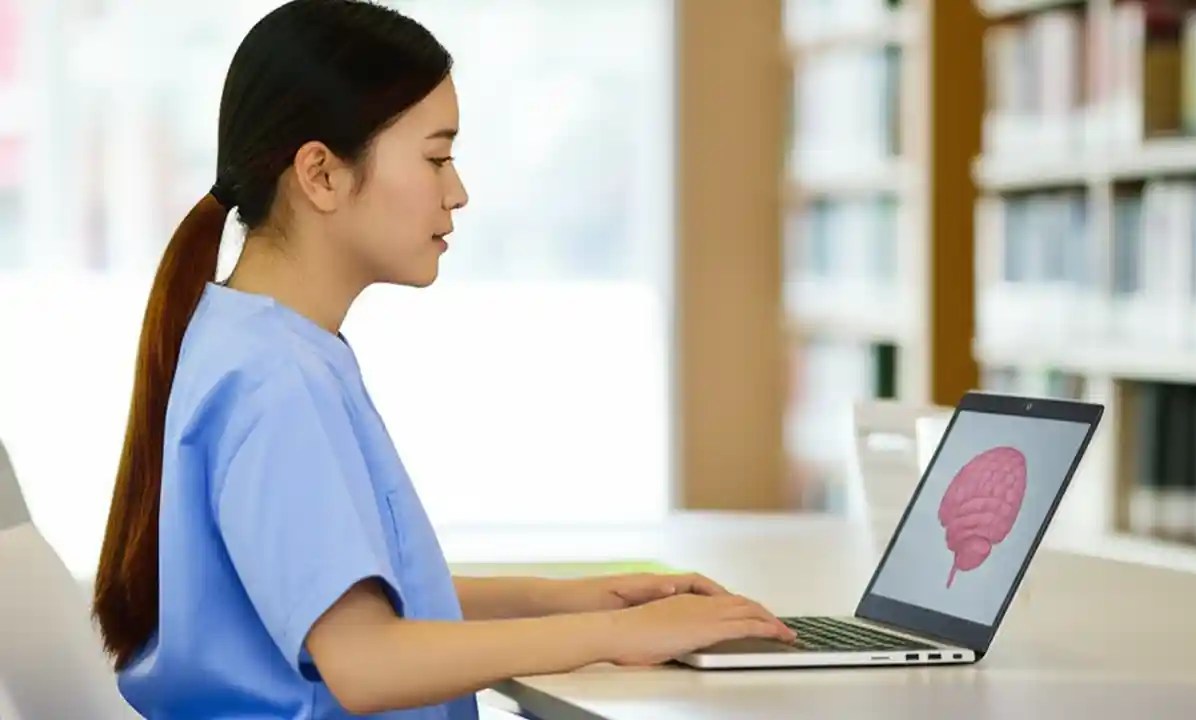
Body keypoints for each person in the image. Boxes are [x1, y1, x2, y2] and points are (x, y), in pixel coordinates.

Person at [89, 1, 796, 718]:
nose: (456, 192)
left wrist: (564, 600)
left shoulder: (257, 342)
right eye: (435, 157)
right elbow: (364, 661)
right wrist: (615, 633)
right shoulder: (278, 380)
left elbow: (356, 597)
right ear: (321, 175)